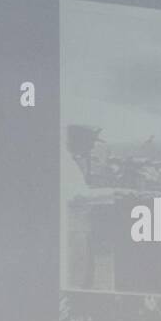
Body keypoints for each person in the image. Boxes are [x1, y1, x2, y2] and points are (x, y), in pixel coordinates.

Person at [61, 124, 118, 289]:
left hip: (80, 227)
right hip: (72, 228)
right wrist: (115, 193)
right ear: (77, 139)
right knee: (76, 279)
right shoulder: (65, 163)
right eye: (90, 141)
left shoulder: (73, 160)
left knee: (84, 274)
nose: (93, 146)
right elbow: (76, 196)